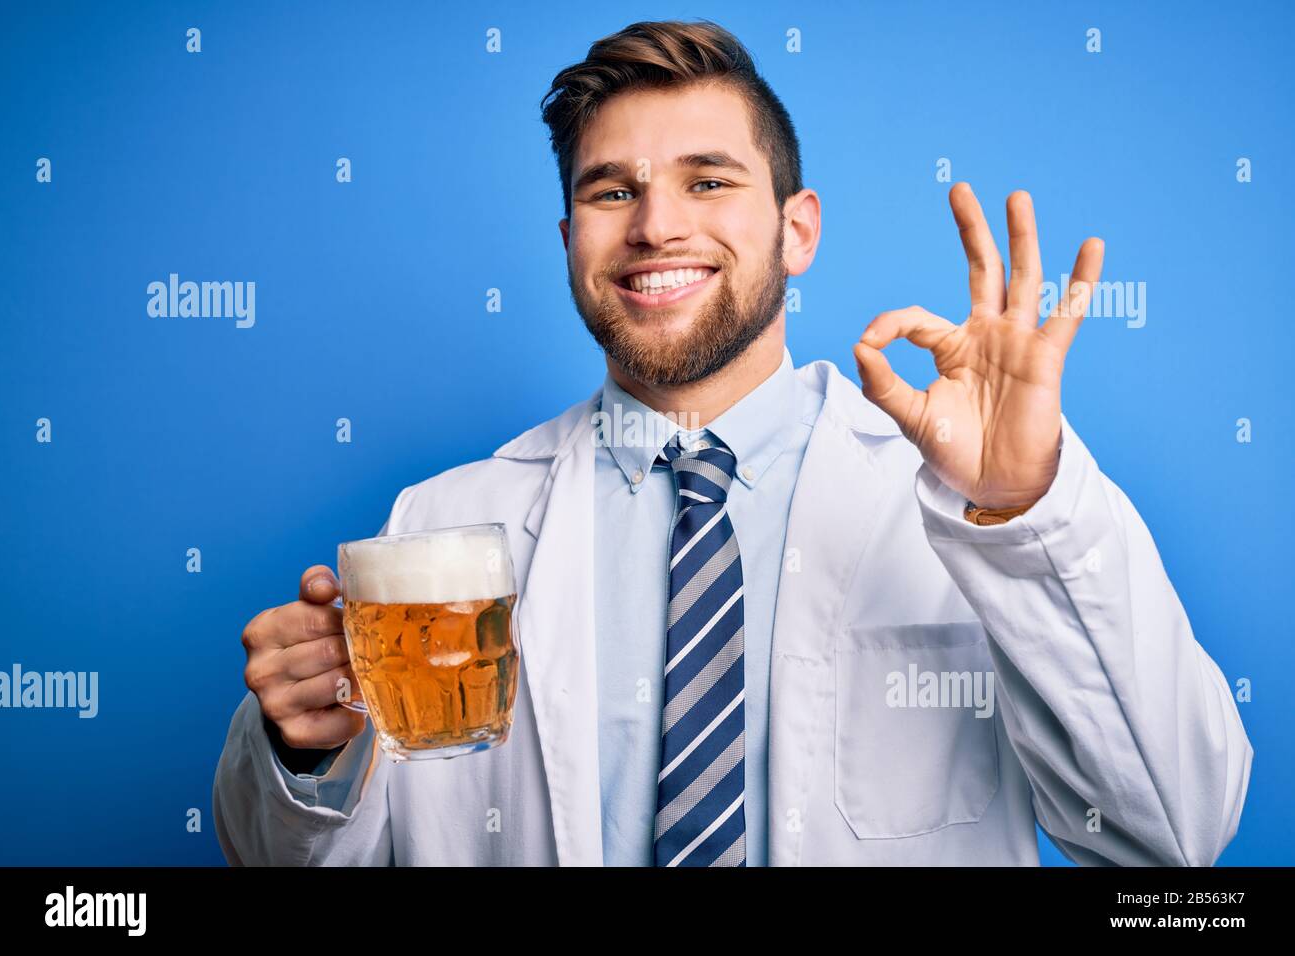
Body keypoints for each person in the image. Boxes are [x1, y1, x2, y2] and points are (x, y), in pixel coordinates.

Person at [213, 19, 1252, 866]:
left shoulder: (961, 498)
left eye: (707, 180)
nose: (656, 225)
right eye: (610, 190)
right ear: (569, 238)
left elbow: (1173, 832)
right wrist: (301, 758)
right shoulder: (435, 529)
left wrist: (1025, 513)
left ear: (796, 230)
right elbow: (277, 861)